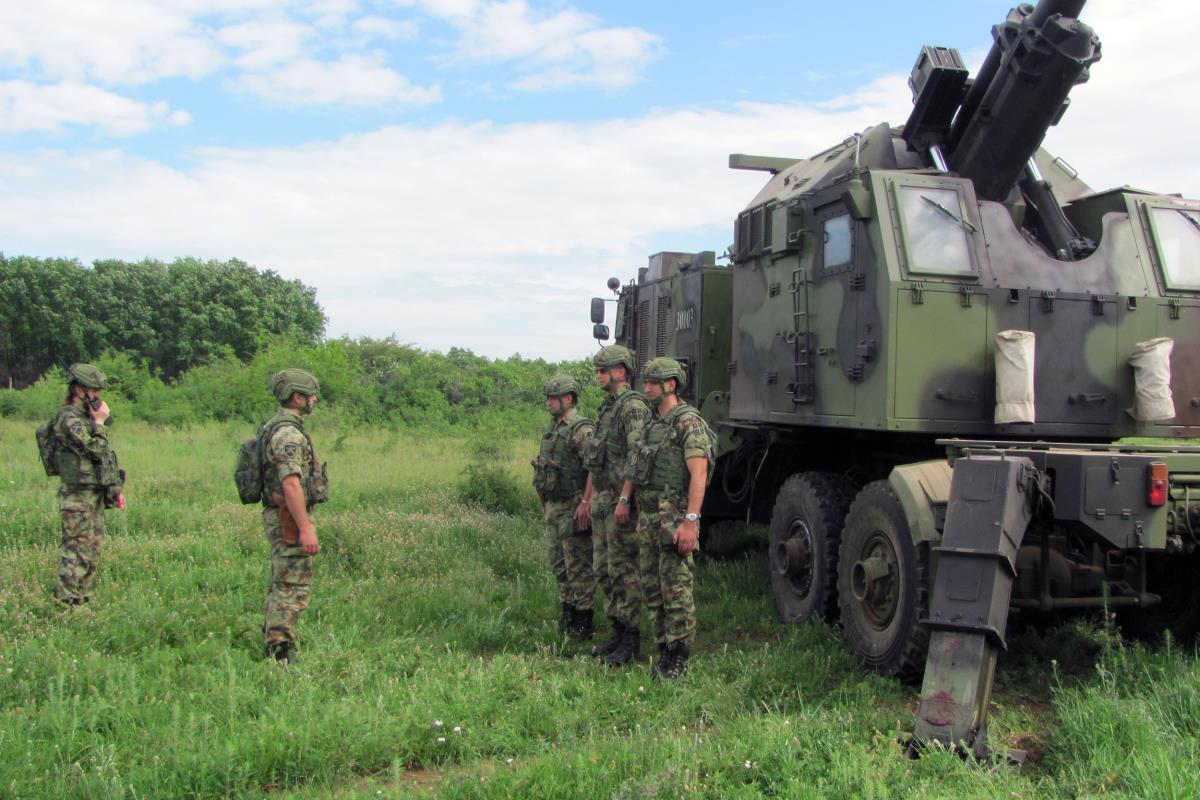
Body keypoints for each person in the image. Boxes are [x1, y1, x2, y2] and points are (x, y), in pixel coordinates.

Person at [631, 358, 715, 679]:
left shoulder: (688, 422)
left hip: (675, 518)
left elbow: (699, 473)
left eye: (654, 382)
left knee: (676, 588)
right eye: (647, 382)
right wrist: (642, 515)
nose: (647, 387)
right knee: (652, 587)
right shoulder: (654, 424)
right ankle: (663, 649)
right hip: (652, 518)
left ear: (671, 385)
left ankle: (679, 655)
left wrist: (691, 520)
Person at [579, 345, 651, 666]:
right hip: (604, 498)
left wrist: (625, 497)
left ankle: (631, 638)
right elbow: (599, 457)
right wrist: (592, 497)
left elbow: (637, 456)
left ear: (620, 371)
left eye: (603, 370)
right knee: (604, 570)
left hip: (621, 500)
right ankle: (618, 630)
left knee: (625, 572)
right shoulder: (608, 406)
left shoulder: (633, 407)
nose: (598, 376)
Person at [260, 369, 328, 664]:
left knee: (282, 580)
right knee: (292, 584)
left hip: (283, 514)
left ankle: (275, 636)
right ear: (297, 397)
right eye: (310, 395)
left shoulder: (276, 427)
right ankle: (280, 651)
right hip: (288, 517)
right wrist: (305, 529)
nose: (314, 400)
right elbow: (290, 483)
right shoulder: (288, 434)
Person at [49, 363, 125, 606]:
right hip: (77, 496)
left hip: (93, 494)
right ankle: (67, 601)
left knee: (94, 547)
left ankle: (83, 596)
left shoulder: (84, 418)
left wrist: (115, 489)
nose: (97, 396)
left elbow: (104, 460)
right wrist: (100, 423)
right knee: (76, 549)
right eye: (93, 391)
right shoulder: (68, 418)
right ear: (79, 390)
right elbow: (96, 449)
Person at [531, 374, 598, 641]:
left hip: (573, 504)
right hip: (555, 505)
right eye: (547, 398)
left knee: (578, 565)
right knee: (558, 563)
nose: (549, 403)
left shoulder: (581, 429)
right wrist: (545, 505)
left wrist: (585, 502)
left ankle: (584, 620)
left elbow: (593, 468)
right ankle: (568, 612)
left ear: (568, 399)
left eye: (553, 398)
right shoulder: (552, 430)